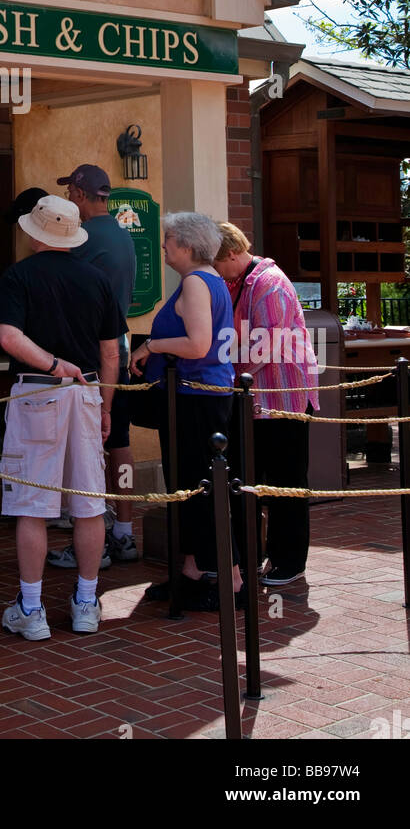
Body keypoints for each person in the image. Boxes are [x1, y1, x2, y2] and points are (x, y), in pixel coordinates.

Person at [0, 195, 120, 639]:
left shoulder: (19, 275)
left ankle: (31, 609)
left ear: (34, 233)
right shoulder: (97, 279)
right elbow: (110, 352)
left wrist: (50, 365)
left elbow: (8, 335)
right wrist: (105, 405)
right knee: (88, 505)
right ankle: (86, 602)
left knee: (32, 506)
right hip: (86, 392)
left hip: (37, 391)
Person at [130, 211, 242, 610]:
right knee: (190, 486)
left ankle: (230, 582)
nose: (163, 246)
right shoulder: (207, 280)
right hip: (198, 397)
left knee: (200, 487)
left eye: (169, 240)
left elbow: (197, 345)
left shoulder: (197, 282)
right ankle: (194, 571)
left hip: (197, 399)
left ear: (188, 246)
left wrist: (152, 347)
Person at [215, 222, 320, 586]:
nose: (215, 272)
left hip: (283, 396)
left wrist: (229, 374)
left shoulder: (269, 283)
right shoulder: (239, 281)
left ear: (231, 253)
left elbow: (266, 343)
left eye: (217, 262)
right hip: (255, 400)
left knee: (286, 483)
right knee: (248, 480)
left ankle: (289, 561)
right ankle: (252, 556)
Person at [48, 163, 139, 569]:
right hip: (116, 347)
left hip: (85, 354)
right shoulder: (124, 236)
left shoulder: (81, 238)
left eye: (71, 193)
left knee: (85, 448)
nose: (69, 199)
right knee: (118, 441)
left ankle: (94, 542)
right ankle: (124, 533)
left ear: (82, 195)